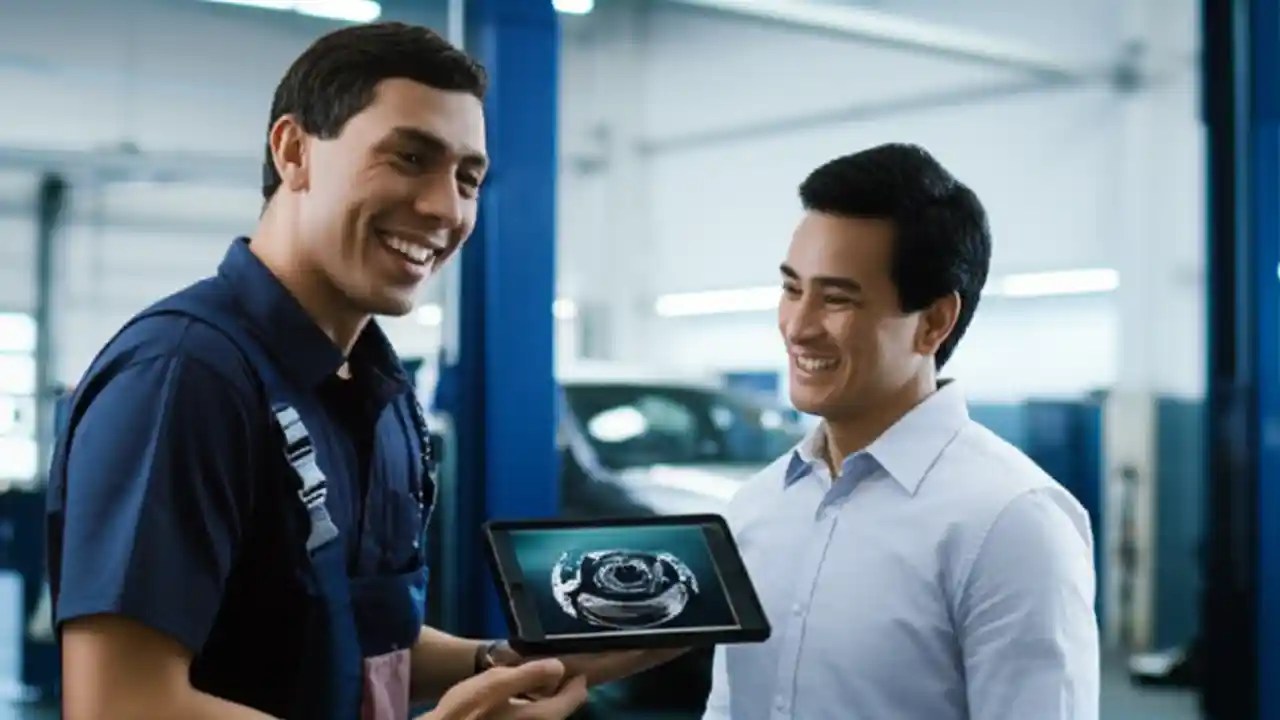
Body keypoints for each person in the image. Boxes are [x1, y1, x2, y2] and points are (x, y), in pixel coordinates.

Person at [45, 21, 620, 720]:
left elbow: (368, 640)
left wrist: (501, 665)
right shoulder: (186, 377)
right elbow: (119, 704)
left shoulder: (380, 397)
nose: (445, 207)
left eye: (468, 178)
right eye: (409, 158)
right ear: (294, 152)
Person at [700, 143, 1101, 719]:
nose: (799, 326)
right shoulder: (758, 506)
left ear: (935, 321)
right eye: (792, 289)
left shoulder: (1011, 523)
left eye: (836, 298)